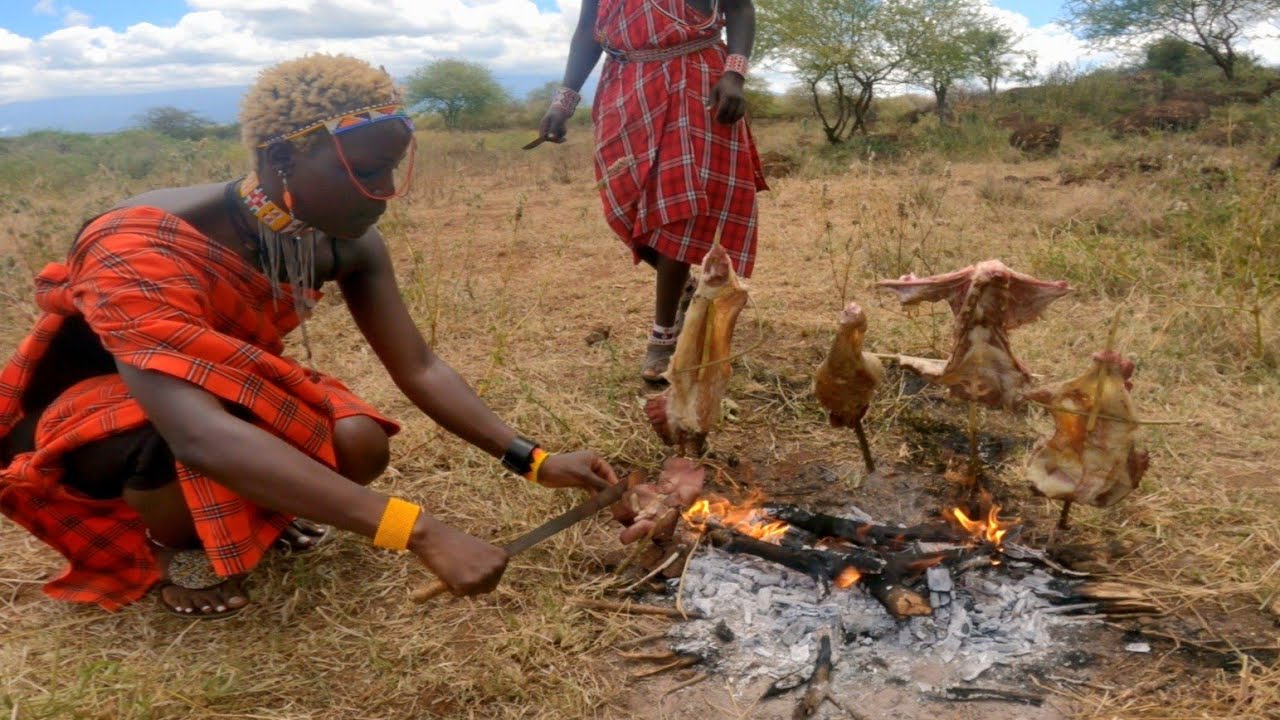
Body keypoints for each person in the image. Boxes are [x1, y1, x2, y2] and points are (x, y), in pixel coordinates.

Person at [0, 54, 618, 619]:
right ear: (281, 160)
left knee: (358, 441)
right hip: (104, 419)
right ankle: (169, 545)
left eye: (392, 169)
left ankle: (260, 512)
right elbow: (197, 433)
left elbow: (420, 367)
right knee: (161, 445)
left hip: (223, 396)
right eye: (365, 171)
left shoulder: (343, 242)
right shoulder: (135, 244)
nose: (384, 193)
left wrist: (534, 461)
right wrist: (419, 531)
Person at [540, 0, 767, 384]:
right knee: (624, 206)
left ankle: (663, 336)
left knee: (675, 205)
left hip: (696, 78)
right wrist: (564, 99)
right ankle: (684, 287)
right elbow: (587, 32)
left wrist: (735, 73)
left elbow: (740, 8)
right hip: (625, 86)